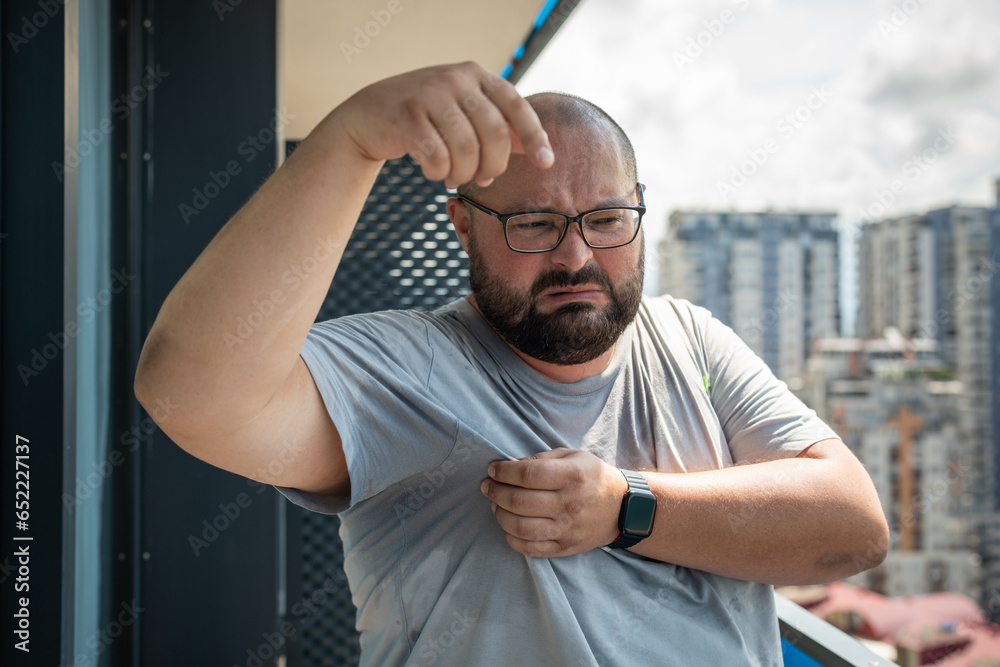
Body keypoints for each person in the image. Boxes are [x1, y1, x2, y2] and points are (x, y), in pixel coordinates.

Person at [134, 61, 889, 665]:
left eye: (605, 219)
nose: (577, 255)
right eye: (534, 222)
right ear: (462, 224)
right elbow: (194, 396)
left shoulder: (690, 340)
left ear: (640, 206)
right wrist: (352, 139)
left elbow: (854, 527)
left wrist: (623, 506)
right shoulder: (410, 368)